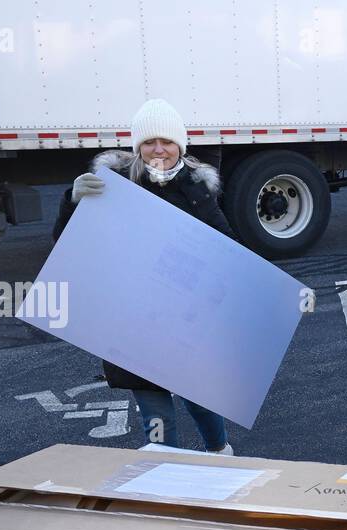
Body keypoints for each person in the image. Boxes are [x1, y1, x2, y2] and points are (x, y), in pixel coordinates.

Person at [53, 98, 238, 454]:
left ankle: (219, 452)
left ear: (179, 145)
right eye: (149, 142)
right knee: (154, 410)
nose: (158, 150)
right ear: (136, 146)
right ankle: (164, 471)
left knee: (199, 398)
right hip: (132, 318)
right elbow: (67, 245)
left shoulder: (196, 188)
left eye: (166, 141)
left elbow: (227, 248)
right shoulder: (113, 186)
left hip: (186, 318)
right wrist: (71, 201)